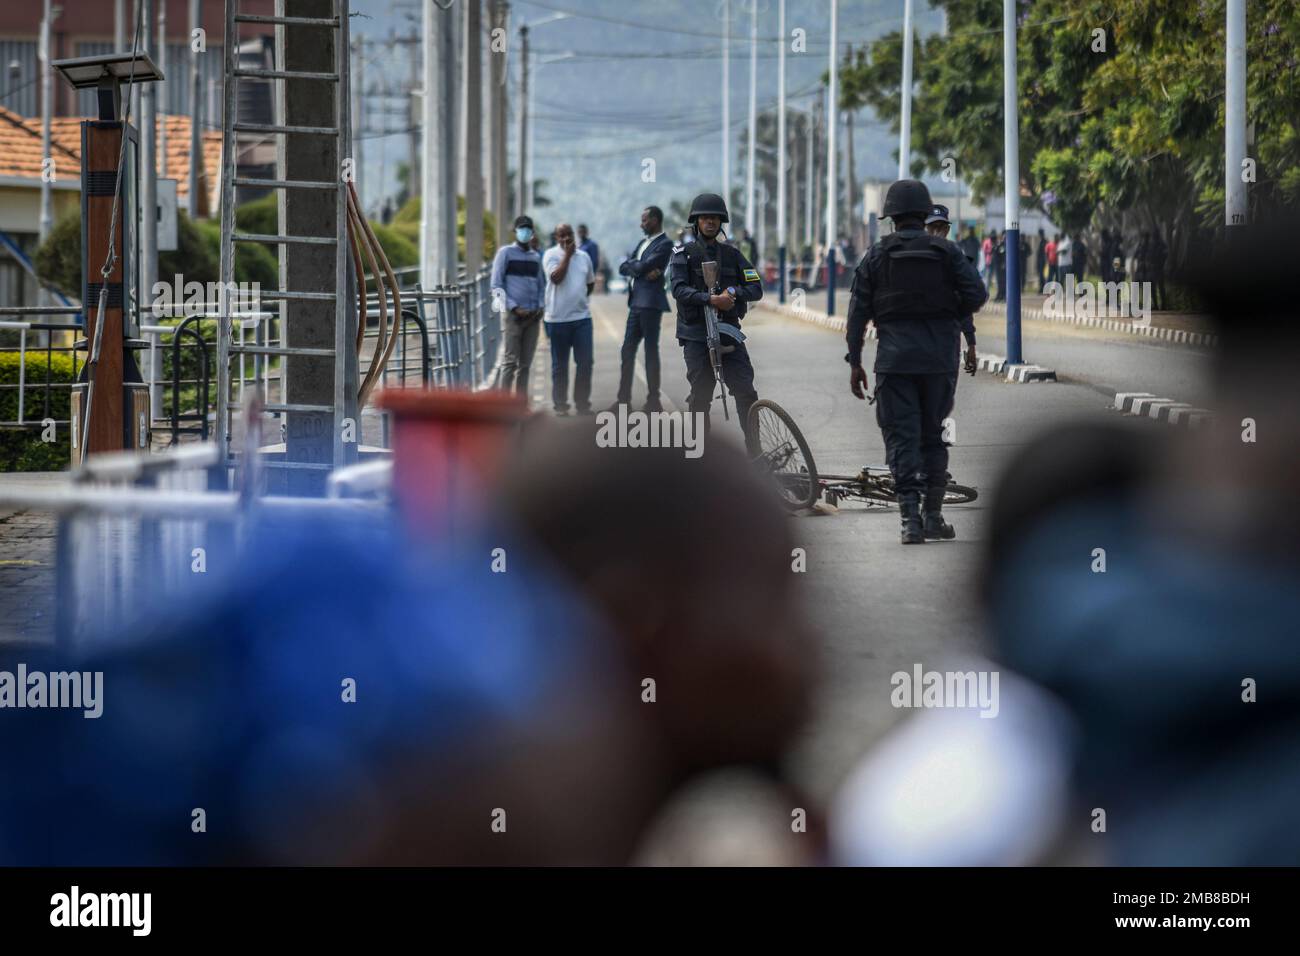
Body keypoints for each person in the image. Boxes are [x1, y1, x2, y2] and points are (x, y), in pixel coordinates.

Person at [845, 179, 987, 544]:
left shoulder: (877, 255)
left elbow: (857, 313)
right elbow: (977, 294)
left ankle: (910, 520)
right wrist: (947, 315)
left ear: (890, 217)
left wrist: (856, 361)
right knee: (933, 436)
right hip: (939, 361)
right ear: (925, 214)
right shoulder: (947, 252)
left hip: (894, 363)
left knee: (901, 439)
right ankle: (933, 516)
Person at [668, 192, 764, 434]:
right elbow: (678, 290)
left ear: (721, 222)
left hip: (729, 334)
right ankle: (702, 456)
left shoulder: (734, 255)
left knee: (746, 393)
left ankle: (756, 452)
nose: (710, 222)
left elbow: (756, 288)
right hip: (696, 335)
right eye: (705, 218)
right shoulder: (683, 255)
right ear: (696, 222)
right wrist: (711, 300)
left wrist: (731, 292)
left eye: (715, 218)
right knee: (700, 399)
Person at [615, 205, 673, 411]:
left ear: (655, 220)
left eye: (645, 220)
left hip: (650, 304)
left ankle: (653, 400)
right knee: (627, 351)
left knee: (650, 351)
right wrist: (638, 267)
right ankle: (623, 401)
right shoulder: (642, 242)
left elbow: (637, 266)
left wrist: (637, 267)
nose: (641, 224)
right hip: (636, 303)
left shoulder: (665, 243)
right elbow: (626, 267)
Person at [542, 223, 596, 416]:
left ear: (574, 235)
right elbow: (556, 278)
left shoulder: (584, 257)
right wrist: (567, 255)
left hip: (582, 319)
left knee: (585, 362)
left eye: (569, 235)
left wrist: (578, 299)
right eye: (561, 235)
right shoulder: (550, 255)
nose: (566, 239)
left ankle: (582, 403)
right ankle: (561, 405)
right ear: (556, 238)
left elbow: (589, 284)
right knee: (560, 365)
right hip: (557, 320)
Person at [490, 214, 546, 396]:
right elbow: (496, 285)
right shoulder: (505, 253)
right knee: (510, 362)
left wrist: (540, 306)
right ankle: (504, 406)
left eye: (528, 229)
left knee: (525, 365)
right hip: (513, 316)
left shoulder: (535, 257)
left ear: (532, 232)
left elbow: (541, 285)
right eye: (522, 229)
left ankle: (521, 405)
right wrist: (513, 307)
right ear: (515, 231)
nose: (525, 232)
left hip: (532, 317)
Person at [925, 204, 979, 377]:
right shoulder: (912, 258)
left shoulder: (957, 261)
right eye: (932, 227)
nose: (936, 232)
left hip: (946, 343)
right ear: (925, 228)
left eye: (940, 228)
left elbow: (964, 305)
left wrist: (971, 343)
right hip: (917, 343)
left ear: (947, 230)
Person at [1035, 227, 1048, 292]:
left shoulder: (1044, 241)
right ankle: (1041, 287)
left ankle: (1042, 288)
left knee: (1042, 275)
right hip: (1040, 260)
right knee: (1040, 275)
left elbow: (1045, 252)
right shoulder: (1041, 241)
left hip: (1042, 260)